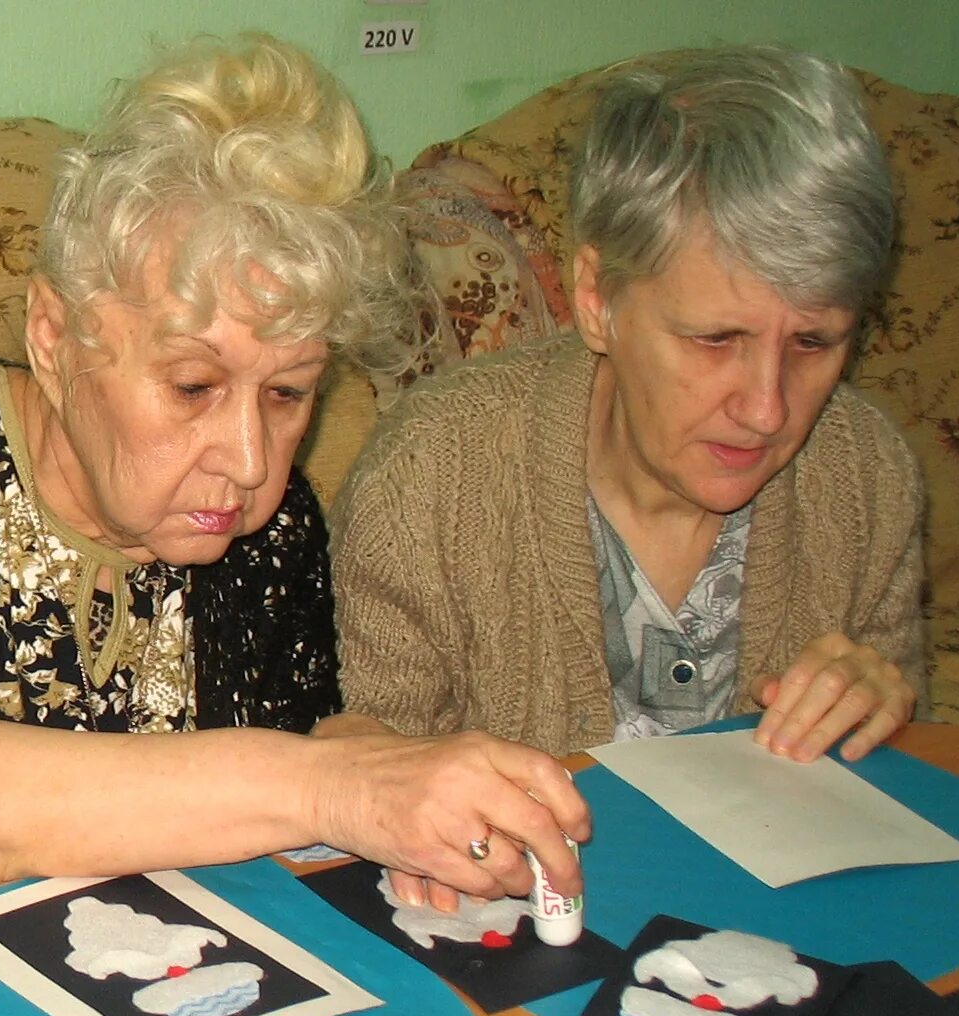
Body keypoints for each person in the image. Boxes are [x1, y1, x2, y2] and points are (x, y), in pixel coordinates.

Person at [0, 33, 591, 928]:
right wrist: (338, 787)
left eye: (289, 392)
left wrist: (415, 790)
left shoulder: (272, 521)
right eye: (194, 386)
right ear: (55, 339)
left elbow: (305, 738)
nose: (250, 460)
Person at [332, 45, 923, 808]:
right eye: (717, 341)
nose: (768, 409)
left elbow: (899, 801)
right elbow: (368, 788)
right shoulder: (431, 482)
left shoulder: (866, 475)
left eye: (814, 343)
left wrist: (880, 711)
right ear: (596, 298)